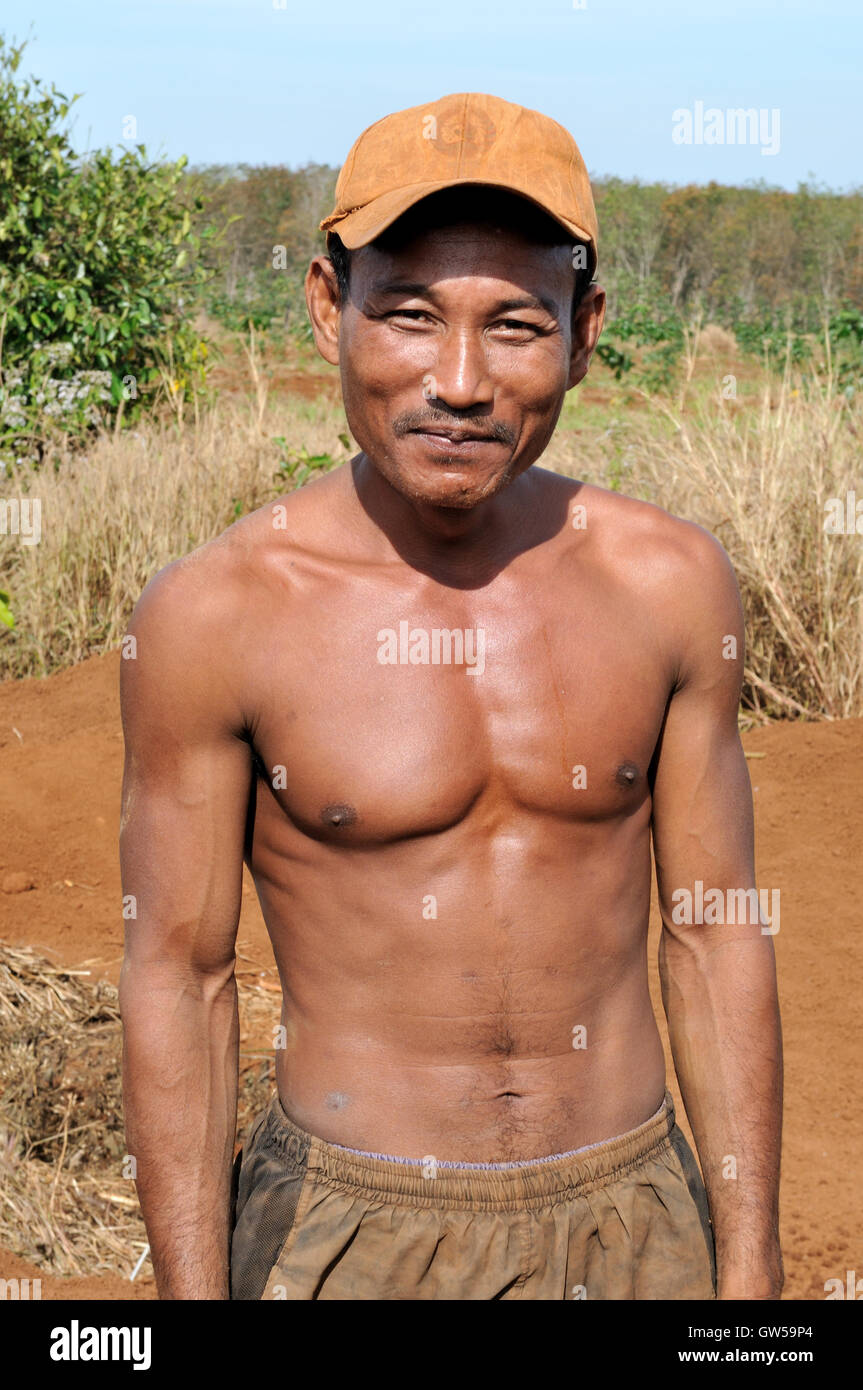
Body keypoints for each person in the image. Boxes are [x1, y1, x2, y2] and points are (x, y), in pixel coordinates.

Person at [119, 92, 783, 1301]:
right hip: (342, 1228)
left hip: (633, 1224)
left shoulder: (669, 582)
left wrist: (747, 1272)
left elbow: (714, 928)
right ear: (330, 309)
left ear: (584, 333)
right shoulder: (216, 612)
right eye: (410, 316)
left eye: (515, 324)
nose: (460, 382)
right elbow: (179, 970)